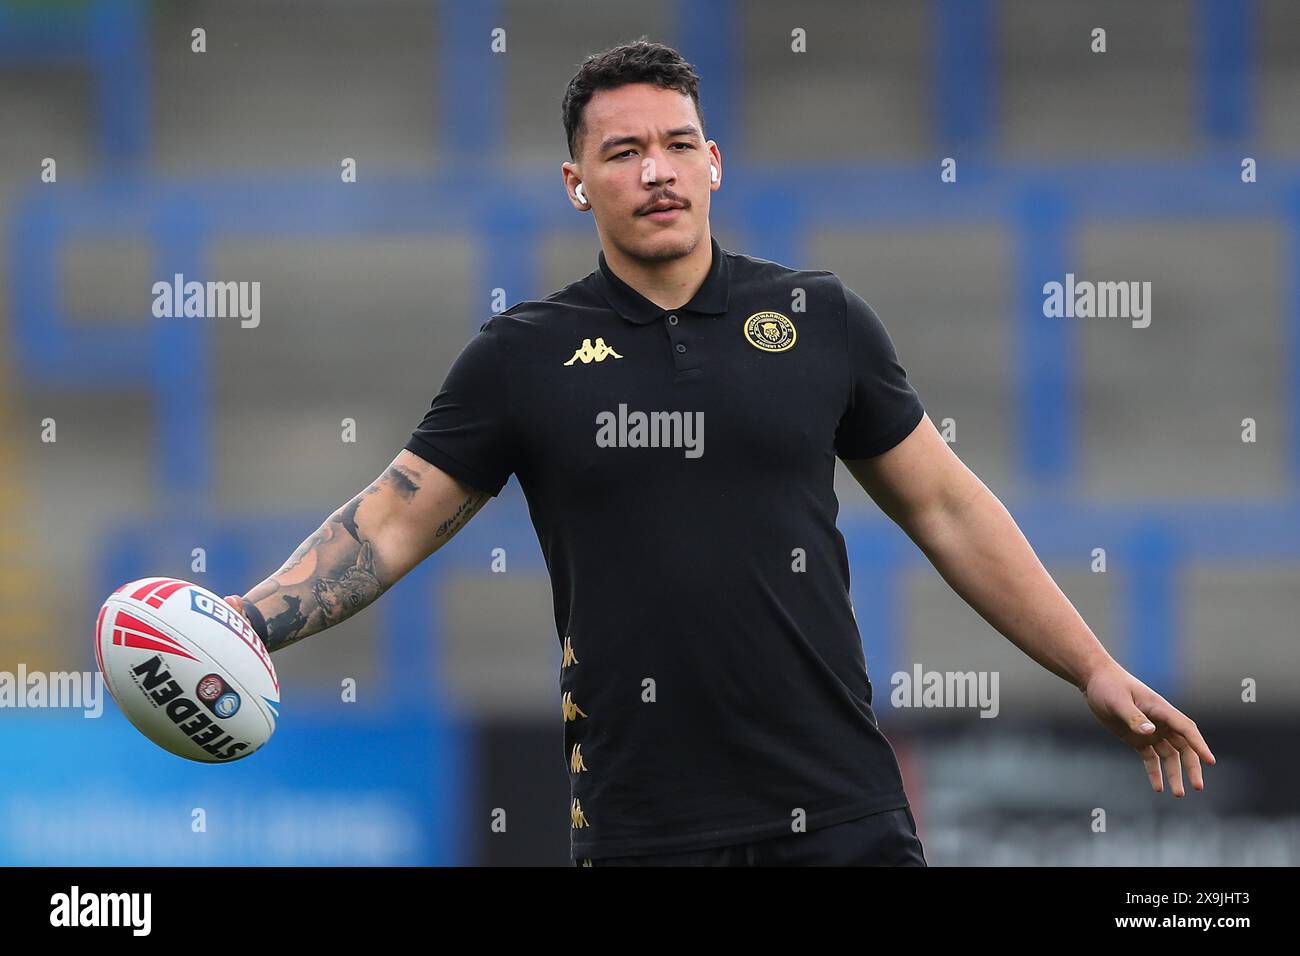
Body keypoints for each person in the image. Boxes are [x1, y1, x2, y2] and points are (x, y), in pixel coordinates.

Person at [224, 39, 1213, 867]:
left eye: (676, 143)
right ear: (576, 183)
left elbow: (945, 506)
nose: (655, 169)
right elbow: (393, 520)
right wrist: (247, 619)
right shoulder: (520, 355)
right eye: (622, 152)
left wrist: (1090, 665)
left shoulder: (818, 318)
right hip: (644, 823)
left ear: (713, 163)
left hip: (839, 809)